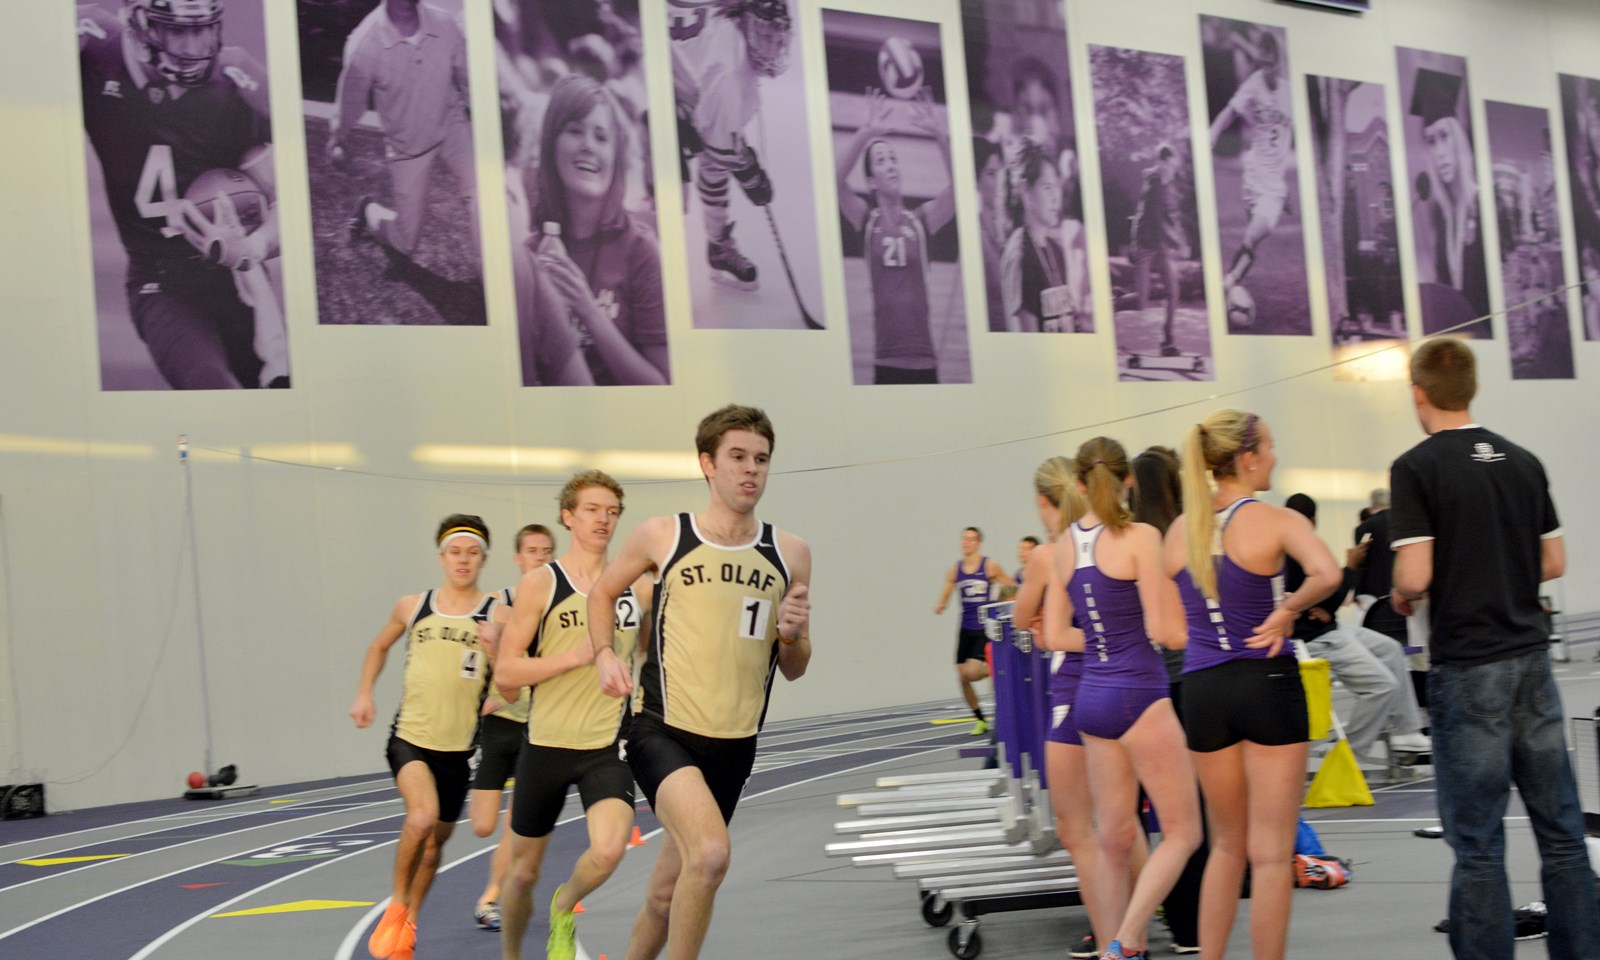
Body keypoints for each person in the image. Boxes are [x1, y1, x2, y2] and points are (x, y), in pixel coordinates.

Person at [1389, 338, 1599, 960]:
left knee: (1478, 843)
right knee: (1560, 831)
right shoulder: (1524, 461)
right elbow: (1554, 560)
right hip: (1531, 662)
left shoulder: (1415, 467)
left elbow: (1415, 576)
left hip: (1468, 666)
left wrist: (1404, 593)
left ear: (1418, 392)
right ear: (1473, 388)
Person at [587, 404, 812, 960]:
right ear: (707, 464)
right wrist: (602, 655)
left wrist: (791, 634)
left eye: (761, 459)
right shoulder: (665, 535)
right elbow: (601, 592)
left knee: (667, 894)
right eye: (737, 457)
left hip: (734, 746)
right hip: (662, 731)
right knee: (710, 855)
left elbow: (796, 665)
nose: (750, 470)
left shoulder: (791, 555)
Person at [1165, 410, 1340, 960]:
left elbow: (1170, 630)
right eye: (1270, 447)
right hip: (1265, 682)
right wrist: (1287, 609)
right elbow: (1329, 574)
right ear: (1246, 457)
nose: (1275, 457)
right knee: (1268, 854)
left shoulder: (1179, 530)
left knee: (1226, 846)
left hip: (1203, 692)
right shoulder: (1274, 520)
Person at [78, 0, 287, 390]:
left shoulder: (235, 80)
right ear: (139, 25)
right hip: (161, 284)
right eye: (177, 30)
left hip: (236, 279)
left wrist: (252, 247)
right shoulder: (90, 48)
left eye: (202, 29)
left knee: (277, 396)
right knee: (210, 386)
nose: (194, 48)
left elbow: (292, 204)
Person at [1046, 439, 1197, 960]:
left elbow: (1052, 633)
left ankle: (1117, 943)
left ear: (1081, 484)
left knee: (1112, 838)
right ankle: (1125, 938)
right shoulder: (1141, 536)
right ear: (1128, 479)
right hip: (1139, 694)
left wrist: (1102, 639)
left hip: (1092, 700)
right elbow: (1163, 629)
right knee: (1182, 832)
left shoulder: (1064, 544)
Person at [495, 473, 647, 960]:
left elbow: (647, 653)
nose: (603, 519)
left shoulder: (634, 587)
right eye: (592, 509)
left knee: (607, 851)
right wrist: (575, 657)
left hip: (605, 748)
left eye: (612, 511)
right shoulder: (541, 583)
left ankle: (564, 906)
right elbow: (506, 673)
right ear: (568, 516)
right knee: (521, 873)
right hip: (545, 748)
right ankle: (513, 955)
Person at [349, 515, 499, 960]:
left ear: (483, 559)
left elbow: (511, 682)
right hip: (410, 738)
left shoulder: (497, 615)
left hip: (457, 753)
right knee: (420, 818)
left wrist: (498, 666)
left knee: (434, 849)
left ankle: (409, 923)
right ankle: (396, 907)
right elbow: (379, 646)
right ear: (441, 557)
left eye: (472, 553)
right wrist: (364, 693)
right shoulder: (414, 606)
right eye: (456, 552)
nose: (463, 560)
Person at [1012, 457, 1106, 959]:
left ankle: (1113, 934)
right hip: (1125, 683)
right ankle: (1128, 926)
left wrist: (1049, 625)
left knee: (1078, 830)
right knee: (1119, 821)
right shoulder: (1116, 538)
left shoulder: (1050, 555)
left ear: (1045, 503)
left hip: (1074, 687)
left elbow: (1021, 616)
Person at [520, 73, 669, 386]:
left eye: (601, 138)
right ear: (551, 145)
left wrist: (586, 308)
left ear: (616, 156)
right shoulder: (531, 253)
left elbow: (660, 387)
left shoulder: (641, 250)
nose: (588, 146)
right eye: (575, 131)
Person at [331, 0, 478, 277]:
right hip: (408, 146)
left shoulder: (446, 24)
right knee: (405, 243)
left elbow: (468, 78)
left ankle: (495, 274)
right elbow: (351, 101)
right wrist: (338, 138)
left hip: (452, 125)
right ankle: (368, 211)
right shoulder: (365, 42)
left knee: (483, 192)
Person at [1282, 493, 1430, 763]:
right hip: (1313, 638)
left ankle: (1405, 731)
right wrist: (1345, 573)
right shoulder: (1292, 551)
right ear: (1314, 520)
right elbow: (1319, 593)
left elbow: (1322, 598)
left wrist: (1317, 604)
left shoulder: (1300, 549)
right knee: (1381, 685)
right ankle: (1347, 751)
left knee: (1390, 648)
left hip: (1330, 629)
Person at [1127, 446, 1203, 956]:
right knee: (1188, 813)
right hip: (1186, 681)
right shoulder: (1186, 535)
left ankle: (1134, 915)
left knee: (1131, 810)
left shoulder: (1128, 540)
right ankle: (1188, 926)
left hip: (1137, 685)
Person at [669, 0, 794, 289]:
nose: (773, 45)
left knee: (715, 155)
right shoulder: (731, 69)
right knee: (677, 192)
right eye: (764, 34)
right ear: (746, 23)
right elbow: (718, 146)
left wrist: (741, 157)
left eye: (778, 36)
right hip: (664, 94)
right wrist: (751, 175)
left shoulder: (732, 37)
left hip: (689, 82)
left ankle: (717, 245)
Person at [837, 86, 957, 383]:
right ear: (871, 181)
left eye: (893, 159)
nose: (891, 165)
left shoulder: (921, 220)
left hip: (925, 360)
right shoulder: (866, 219)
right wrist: (865, 133)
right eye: (881, 160)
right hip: (886, 359)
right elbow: (835, 182)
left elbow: (960, 188)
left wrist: (940, 135)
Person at [469, 524, 556, 932]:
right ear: (518, 558)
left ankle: (490, 897)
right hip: (498, 727)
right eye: (532, 551)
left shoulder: (558, 605)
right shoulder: (495, 603)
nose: (540, 556)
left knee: (513, 826)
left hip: (535, 729)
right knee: (483, 824)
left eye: (546, 550)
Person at [1208, 31, 1292, 302]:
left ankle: (1227, 284)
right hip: (1252, 178)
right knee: (1252, 242)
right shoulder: (1253, 85)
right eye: (1262, 61)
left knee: (1255, 233)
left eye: (1271, 61)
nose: (1266, 66)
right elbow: (1231, 111)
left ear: (1278, 61)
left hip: (1274, 188)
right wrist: (1212, 133)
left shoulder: (1291, 92)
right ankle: (1230, 285)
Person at [1410, 67, 1490, 328]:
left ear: (1458, 138)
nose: (1440, 152)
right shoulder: (1442, 217)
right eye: (1431, 142)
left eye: (1445, 136)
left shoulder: (1485, 205)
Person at [1001, 139, 1089, 332]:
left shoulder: (1053, 248)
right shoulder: (1020, 256)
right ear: (1025, 190)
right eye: (1047, 187)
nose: (1056, 197)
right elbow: (1027, 343)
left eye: (1056, 186)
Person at [935, 527, 1016, 734]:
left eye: (971, 540)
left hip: (982, 628)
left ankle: (995, 668)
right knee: (962, 676)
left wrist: (1008, 600)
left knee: (971, 672)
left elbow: (1011, 586)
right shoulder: (956, 569)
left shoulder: (989, 566)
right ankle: (981, 720)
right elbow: (947, 589)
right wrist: (941, 604)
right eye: (964, 539)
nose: (966, 543)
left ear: (978, 543)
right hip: (965, 628)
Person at [1130, 144, 1186, 355]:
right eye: (1171, 166)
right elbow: (1156, 221)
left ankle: (1168, 341)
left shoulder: (1169, 186)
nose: (1174, 171)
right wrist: (1177, 244)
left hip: (1160, 248)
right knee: (1141, 302)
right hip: (1145, 246)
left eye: (1175, 167)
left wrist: (1181, 239)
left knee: (1173, 292)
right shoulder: (1152, 186)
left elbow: (1173, 217)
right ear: (1162, 164)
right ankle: (1115, 303)